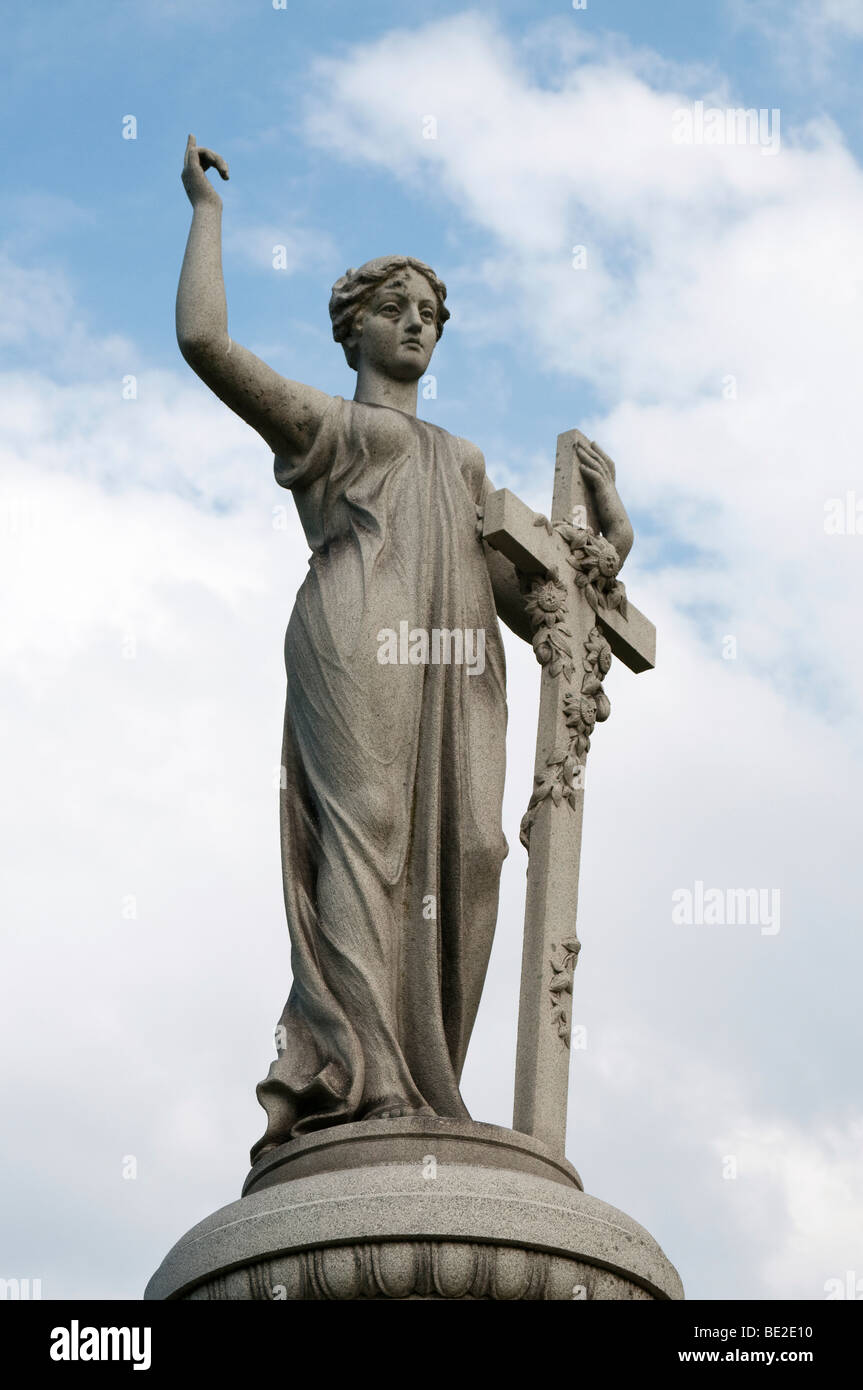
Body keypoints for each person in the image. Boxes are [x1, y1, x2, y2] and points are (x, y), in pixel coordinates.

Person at [176, 135, 630, 1157]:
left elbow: (545, 597)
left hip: (457, 669)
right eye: (397, 309)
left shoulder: (464, 465)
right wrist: (207, 215)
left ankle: (426, 1080)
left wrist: (609, 537)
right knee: (367, 832)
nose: (417, 323)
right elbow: (208, 345)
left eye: (429, 314)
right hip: (354, 636)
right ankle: (356, 1072)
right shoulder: (331, 428)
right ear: (354, 330)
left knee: (468, 850)